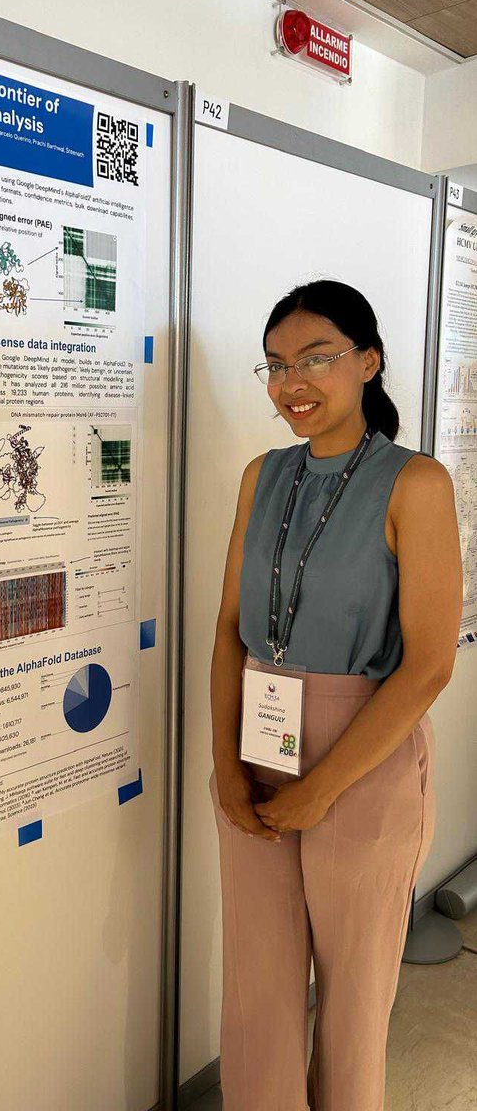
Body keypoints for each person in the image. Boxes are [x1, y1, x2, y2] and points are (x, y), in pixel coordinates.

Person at [208, 279, 462, 1111]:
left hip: (364, 754)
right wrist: (225, 767)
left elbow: (428, 665)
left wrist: (322, 788)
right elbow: (229, 629)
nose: (293, 383)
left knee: (352, 997)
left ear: (368, 362)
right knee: (257, 987)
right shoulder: (262, 476)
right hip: (258, 739)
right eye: (276, 365)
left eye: (316, 359)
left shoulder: (415, 483)